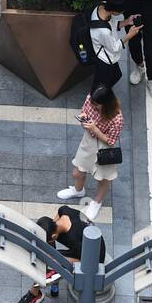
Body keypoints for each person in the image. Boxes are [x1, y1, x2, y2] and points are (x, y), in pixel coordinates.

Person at [15, 206, 106, 303]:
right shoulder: (63, 211)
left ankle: (35, 293)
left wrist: (53, 259)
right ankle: (53, 282)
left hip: (92, 255)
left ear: (53, 236)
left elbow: (83, 259)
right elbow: (50, 226)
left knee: (54, 264)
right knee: (49, 253)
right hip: (82, 243)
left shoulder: (74, 238)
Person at [57, 82, 124, 221]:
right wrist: (84, 120)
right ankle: (78, 190)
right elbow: (84, 111)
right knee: (77, 172)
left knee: (103, 177)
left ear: (106, 104)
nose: (94, 106)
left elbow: (110, 141)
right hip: (89, 140)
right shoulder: (90, 99)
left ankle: (97, 202)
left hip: (105, 148)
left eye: (97, 105)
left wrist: (94, 129)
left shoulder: (117, 118)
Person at [89, 0, 143, 88]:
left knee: (116, 76)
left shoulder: (102, 5)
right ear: (116, 12)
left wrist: (127, 21)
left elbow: (112, 24)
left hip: (107, 55)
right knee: (102, 86)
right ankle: (96, 101)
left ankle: (100, 97)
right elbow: (114, 47)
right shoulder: (103, 31)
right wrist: (129, 35)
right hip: (104, 60)